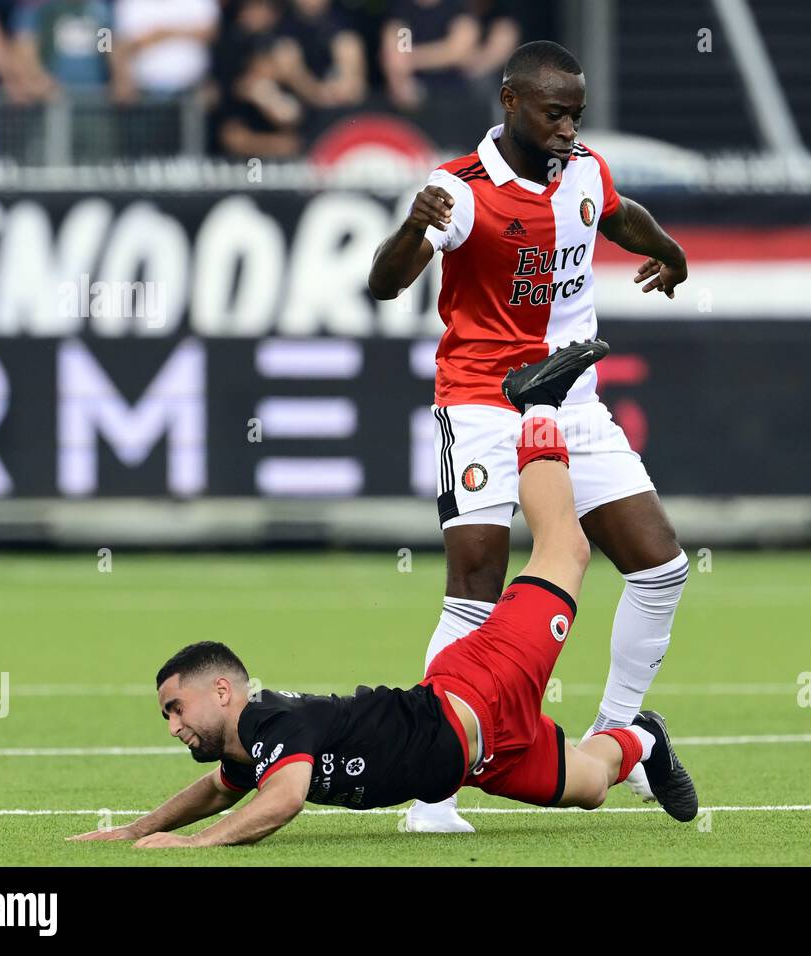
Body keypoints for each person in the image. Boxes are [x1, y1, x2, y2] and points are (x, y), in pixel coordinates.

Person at [67, 342, 698, 849]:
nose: (173, 725)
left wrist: (198, 848)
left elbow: (283, 800)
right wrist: (135, 829)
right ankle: (646, 738)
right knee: (590, 784)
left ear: (224, 691)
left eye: (177, 707)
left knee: (565, 550)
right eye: (167, 716)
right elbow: (216, 789)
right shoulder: (246, 750)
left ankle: (537, 408)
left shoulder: (268, 720)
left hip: (477, 693)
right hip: (481, 757)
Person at [367, 40, 690, 834]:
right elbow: (383, 283)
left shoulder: (583, 167)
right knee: (476, 582)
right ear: (510, 102)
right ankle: (432, 794)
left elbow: (618, 214)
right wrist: (412, 228)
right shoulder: (459, 189)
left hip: (571, 401)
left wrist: (668, 251)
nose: (568, 127)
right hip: (480, 403)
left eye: (577, 113)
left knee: (661, 566)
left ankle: (619, 733)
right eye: (554, 113)